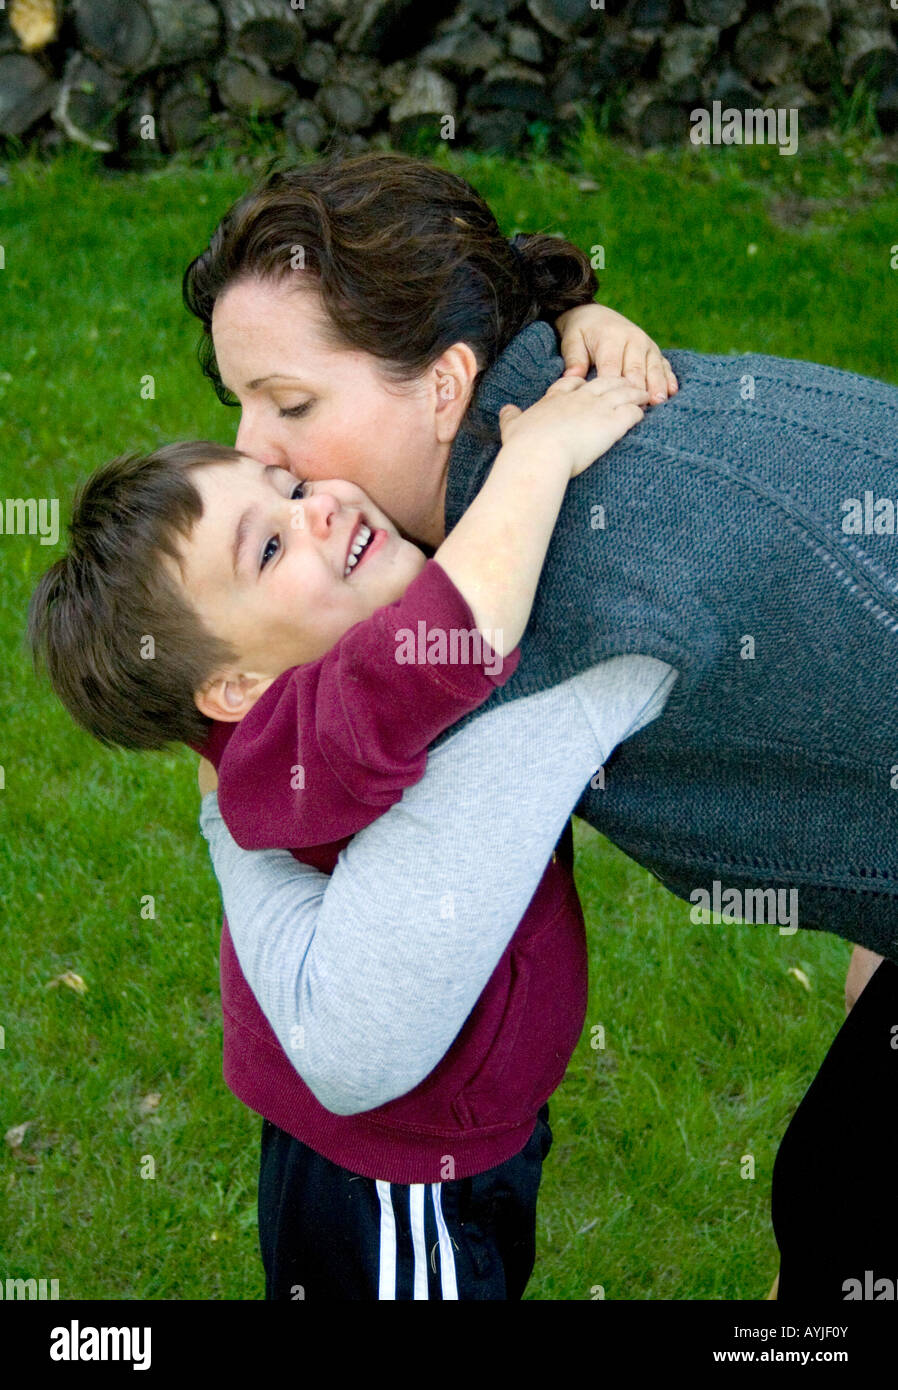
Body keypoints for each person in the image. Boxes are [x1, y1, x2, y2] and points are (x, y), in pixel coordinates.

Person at [179, 150, 898, 1299]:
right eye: (242, 406)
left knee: (850, 1233)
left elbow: (356, 1039)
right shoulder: (573, 392)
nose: (253, 450)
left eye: (292, 404)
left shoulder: (540, 619)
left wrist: (228, 823)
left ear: (447, 385)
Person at [27, 376, 655, 1299]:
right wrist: (539, 455)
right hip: (394, 1179)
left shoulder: (293, 695)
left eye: (283, 487)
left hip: (446, 1127)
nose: (318, 507)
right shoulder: (303, 729)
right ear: (234, 690)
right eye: (271, 546)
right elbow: (459, 626)